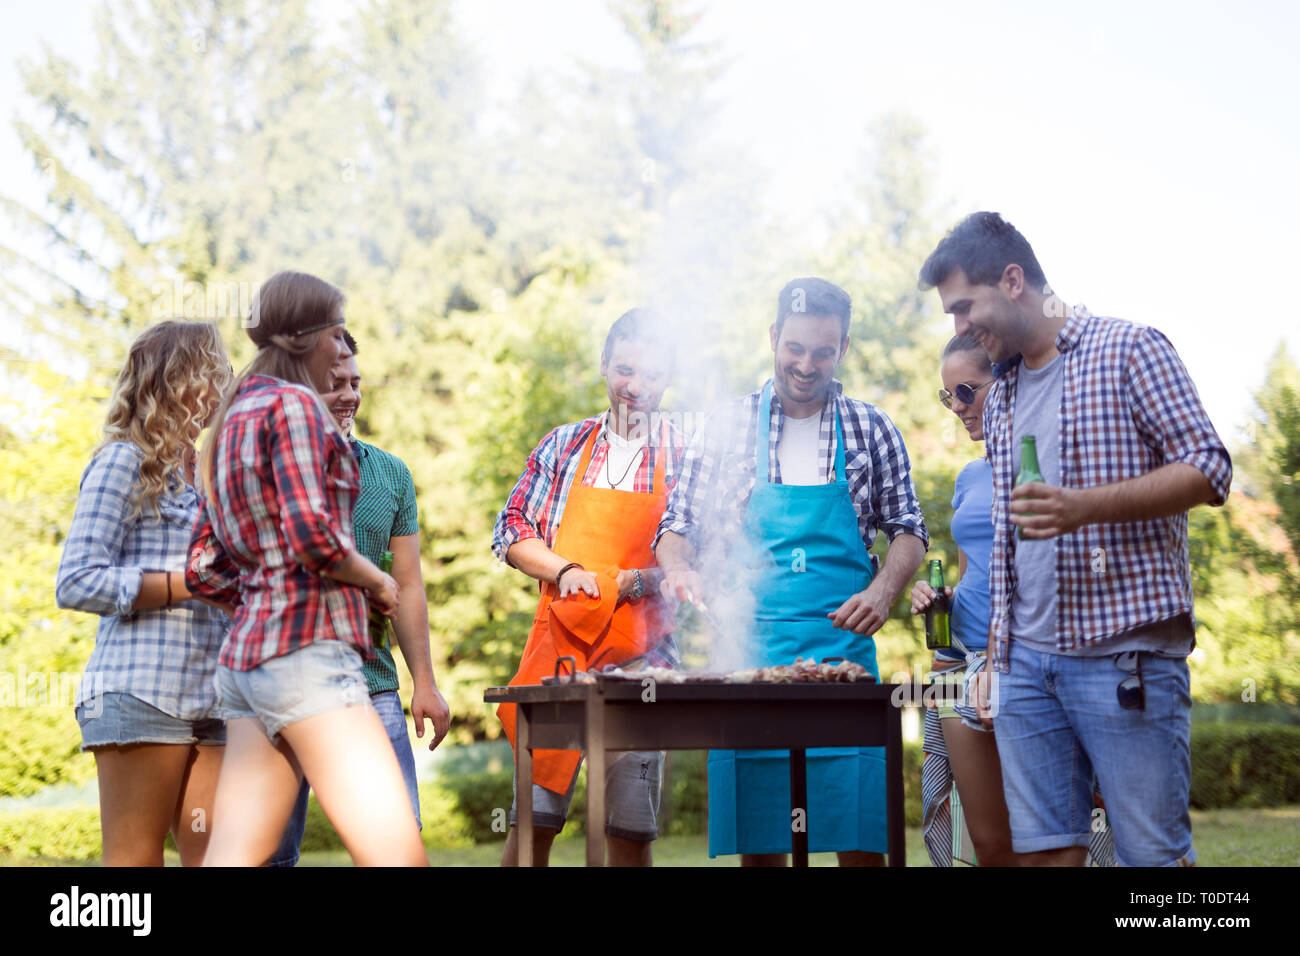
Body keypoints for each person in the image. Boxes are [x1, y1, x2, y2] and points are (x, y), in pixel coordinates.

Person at [918, 211, 1232, 867]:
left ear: (1012, 281)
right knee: (1043, 857)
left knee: (1149, 856)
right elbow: (1006, 549)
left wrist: (1083, 508)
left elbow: (1208, 467)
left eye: (964, 307)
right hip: (1025, 668)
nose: (960, 328)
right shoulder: (1000, 395)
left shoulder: (1131, 349)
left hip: (1122, 656)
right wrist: (997, 661)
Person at [655, 277, 928, 866]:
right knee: (765, 841)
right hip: (751, 654)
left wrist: (883, 592)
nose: (807, 364)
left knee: (860, 838)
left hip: (844, 652)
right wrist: (679, 568)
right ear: (774, 336)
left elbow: (910, 529)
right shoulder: (725, 428)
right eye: (796, 348)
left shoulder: (871, 428)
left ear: (844, 349)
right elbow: (675, 528)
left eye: (823, 352)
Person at [187, 270, 426, 866]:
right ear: (305, 337)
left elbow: (203, 571)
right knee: (399, 855)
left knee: (233, 861)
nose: (345, 350)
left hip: (246, 664)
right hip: (307, 658)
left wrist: (269, 588)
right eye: (338, 334)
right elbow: (314, 537)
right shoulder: (294, 407)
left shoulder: (233, 418)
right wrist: (377, 581)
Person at [492, 308, 687, 867]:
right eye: (625, 369)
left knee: (627, 832)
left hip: (643, 663)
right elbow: (511, 531)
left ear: (668, 376)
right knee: (534, 824)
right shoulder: (565, 445)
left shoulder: (684, 453)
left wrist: (640, 581)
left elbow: (705, 554)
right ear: (604, 364)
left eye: (651, 374)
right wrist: (566, 571)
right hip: (559, 657)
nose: (636, 386)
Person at [267, 331, 450, 866]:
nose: (349, 396)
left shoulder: (389, 473)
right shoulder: (271, 465)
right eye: (334, 385)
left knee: (396, 844)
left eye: (355, 383)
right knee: (270, 853)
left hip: (371, 686)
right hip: (282, 687)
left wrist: (426, 683)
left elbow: (409, 584)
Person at [56, 320, 233, 866]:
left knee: (221, 857)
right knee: (133, 867)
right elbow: (77, 580)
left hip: (213, 696)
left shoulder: (205, 476)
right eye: (217, 370)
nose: (226, 383)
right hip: (140, 692)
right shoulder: (123, 462)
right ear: (184, 380)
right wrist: (191, 586)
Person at [911, 335, 1018, 867]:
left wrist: (997, 663)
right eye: (947, 395)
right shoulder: (969, 476)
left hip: (1019, 659)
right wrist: (938, 596)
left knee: (1050, 832)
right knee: (989, 842)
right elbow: (974, 571)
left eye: (966, 391)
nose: (956, 407)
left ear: (1006, 382)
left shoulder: (1042, 462)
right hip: (957, 660)